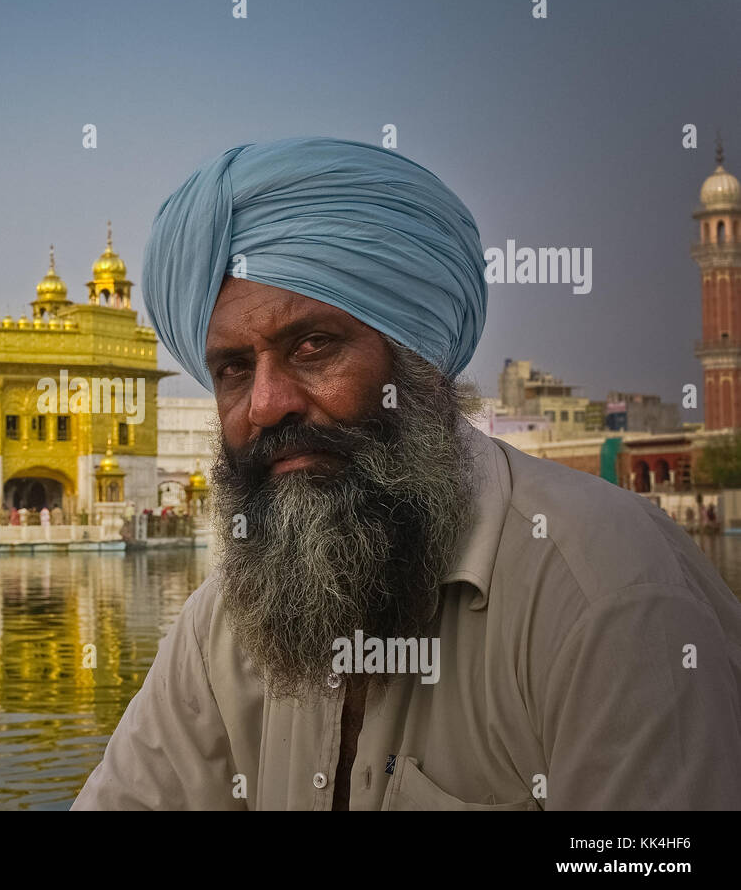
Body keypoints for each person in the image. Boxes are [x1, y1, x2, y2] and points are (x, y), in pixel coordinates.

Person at [72, 136, 741, 811]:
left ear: (416, 358)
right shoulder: (223, 626)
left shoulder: (604, 593)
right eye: (234, 370)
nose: (268, 404)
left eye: (313, 345)